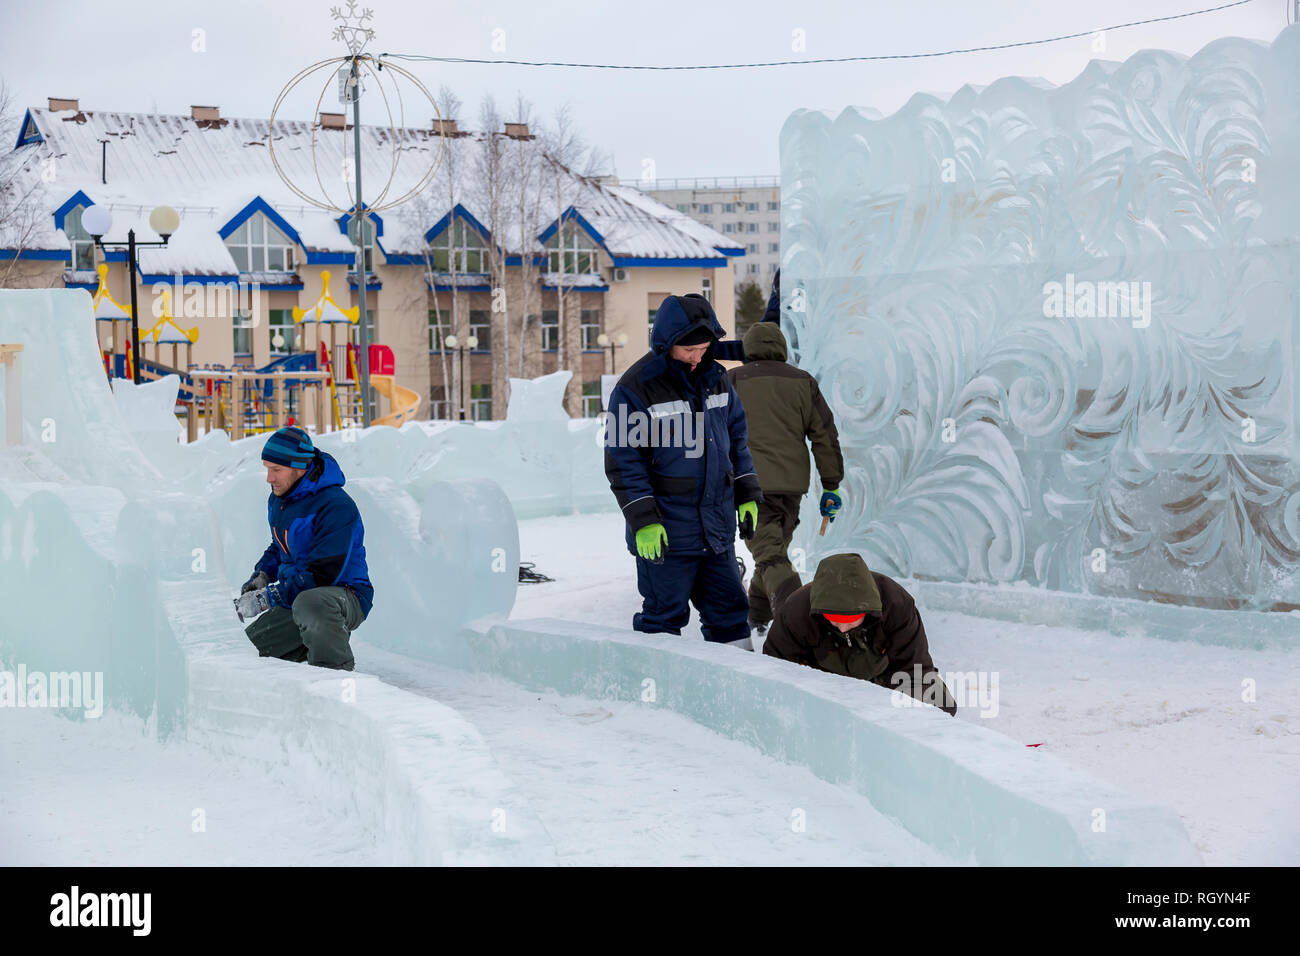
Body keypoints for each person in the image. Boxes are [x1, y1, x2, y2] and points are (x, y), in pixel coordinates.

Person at [604, 293, 762, 648]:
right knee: (663, 618)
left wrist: (747, 493)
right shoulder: (634, 389)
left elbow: (736, 441)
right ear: (667, 344)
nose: (697, 357)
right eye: (689, 350)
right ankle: (657, 696)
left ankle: (736, 695)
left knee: (731, 615)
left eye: (704, 348)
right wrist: (643, 520)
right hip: (665, 536)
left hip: (716, 533)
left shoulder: (717, 379)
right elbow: (622, 461)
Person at [727, 321, 843, 637]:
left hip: (748, 485)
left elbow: (712, 433)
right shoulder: (803, 382)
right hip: (792, 487)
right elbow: (825, 435)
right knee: (771, 555)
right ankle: (757, 617)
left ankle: (801, 627)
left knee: (770, 556)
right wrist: (831, 484)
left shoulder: (733, 380)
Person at [236, 425, 373, 671]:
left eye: (276, 470)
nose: (269, 478)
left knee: (312, 605)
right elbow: (280, 547)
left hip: (343, 595)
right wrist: (263, 575)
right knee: (248, 654)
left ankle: (335, 675)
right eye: (267, 469)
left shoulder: (336, 506)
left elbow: (323, 574)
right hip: (298, 596)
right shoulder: (281, 499)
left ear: (299, 467)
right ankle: (307, 651)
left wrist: (268, 598)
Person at [763, 553, 957, 715]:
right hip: (827, 685)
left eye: (850, 621)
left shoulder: (897, 604)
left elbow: (914, 671)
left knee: (940, 703)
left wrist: (897, 712)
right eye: (833, 620)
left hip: (885, 678)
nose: (842, 629)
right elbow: (777, 671)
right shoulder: (795, 612)